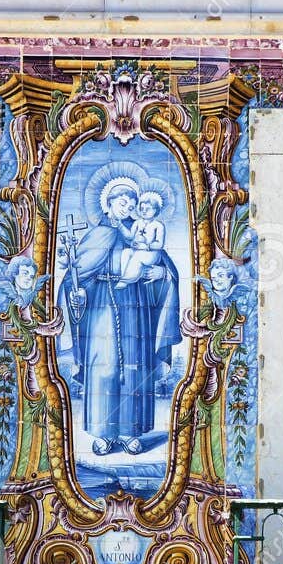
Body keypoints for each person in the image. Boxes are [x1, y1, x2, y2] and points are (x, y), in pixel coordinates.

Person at [59, 166, 182, 456]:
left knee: (135, 367)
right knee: (104, 367)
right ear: (108, 205)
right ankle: (104, 433)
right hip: (101, 303)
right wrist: (77, 294)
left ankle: (131, 431)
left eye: (130, 202)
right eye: (120, 202)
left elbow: (167, 271)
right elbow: (76, 276)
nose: (126, 207)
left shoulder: (140, 234)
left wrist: (159, 274)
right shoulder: (98, 234)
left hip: (136, 304)